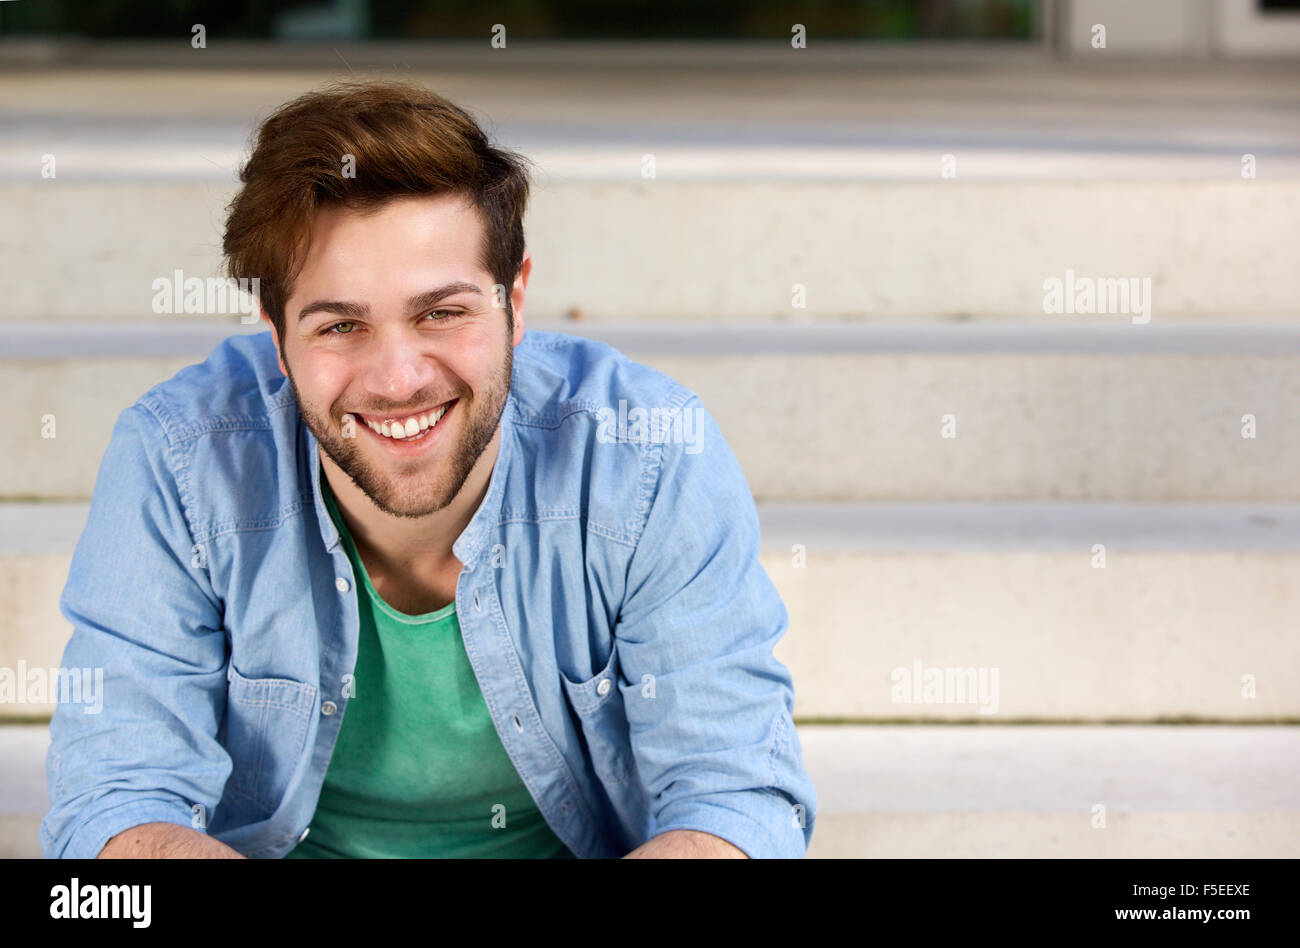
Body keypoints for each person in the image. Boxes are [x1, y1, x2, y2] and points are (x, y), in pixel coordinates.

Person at [40, 80, 816, 859]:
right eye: (341, 325)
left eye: (441, 313)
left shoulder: (644, 455)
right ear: (277, 341)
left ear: (514, 300)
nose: (398, 379)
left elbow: (737, 799)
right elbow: (113, 804)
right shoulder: (179, 459)